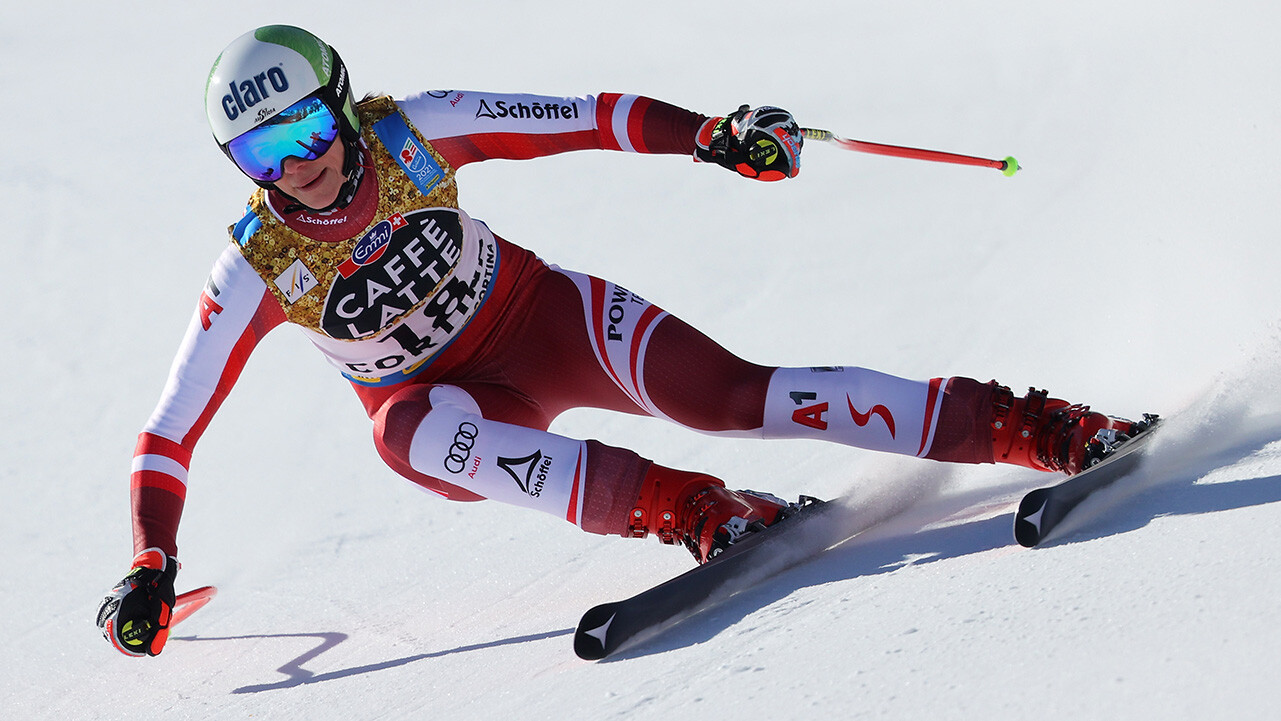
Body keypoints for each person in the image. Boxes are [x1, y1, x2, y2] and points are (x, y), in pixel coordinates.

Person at [97, 25, 1138, 658]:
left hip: (542, 320)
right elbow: (168, 429)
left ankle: (1039, 426)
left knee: (737, 395)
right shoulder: (258, 264)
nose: (302, 167)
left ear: (341, 106)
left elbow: (581, 114)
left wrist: (714, 138)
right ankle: (697, 511)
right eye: (263, 152)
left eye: (311, 132)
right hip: (448, 407)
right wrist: (152, 559)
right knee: (407, 432)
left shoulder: (413, 127)